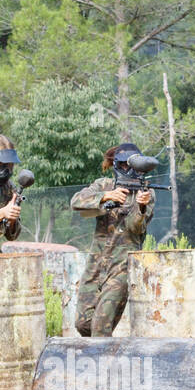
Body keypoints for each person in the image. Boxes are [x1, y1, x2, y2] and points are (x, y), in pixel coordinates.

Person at [70, 143, 155, 337]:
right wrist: (106, 196)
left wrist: (140, 207)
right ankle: (100, 357)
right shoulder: (103, 185)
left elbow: (136, 228)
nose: (128, 170)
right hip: (96, 263)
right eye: (123, 165)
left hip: (122, 266)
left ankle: (104, 365)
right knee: (83, 324)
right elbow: (76, 201)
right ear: (116, 165)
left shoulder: (146, 192)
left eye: (132, 165)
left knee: (101, 328)